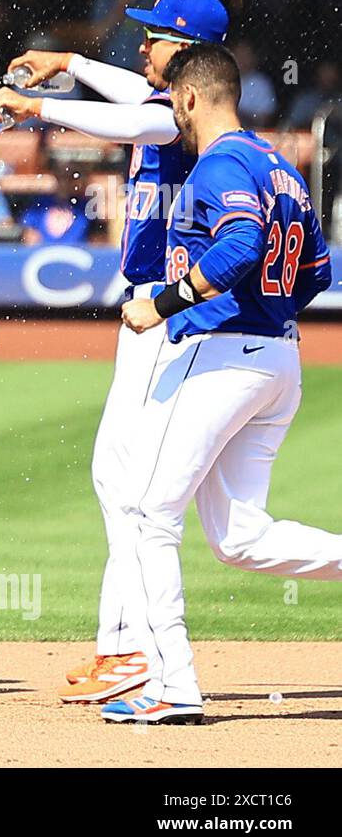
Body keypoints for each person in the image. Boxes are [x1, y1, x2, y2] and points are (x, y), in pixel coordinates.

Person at [0, 0, 229, 704]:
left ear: (188, 54)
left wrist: (39, 105)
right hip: (150, 315)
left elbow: (138, 124)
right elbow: (135, 96)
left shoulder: (179, 121)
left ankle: (133, 648)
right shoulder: (166, 101)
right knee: (124, 481)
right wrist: (68, 60)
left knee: (135, 485)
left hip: (168, 314)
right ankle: (124, 645)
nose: (144, 43)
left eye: (156, 35)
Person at [109, 43, 338, 725]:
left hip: (224, 356)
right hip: (277, 359)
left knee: (150, 512)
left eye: (173, 98)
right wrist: (267, 315)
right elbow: (319, 273)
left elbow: (239, 245)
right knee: (239, 536)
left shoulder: (222, 163)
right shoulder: (280, 167)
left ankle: (172, 684)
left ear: (189, 97)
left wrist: (164, 302)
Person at [18, 167, 90, 245]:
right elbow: (28, 232)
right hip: (45, 253)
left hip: (75, 253)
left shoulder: (83, 206)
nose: (64, 183)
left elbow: (96, 236)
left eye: (70, 178)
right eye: (61, 178)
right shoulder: (41, 203)